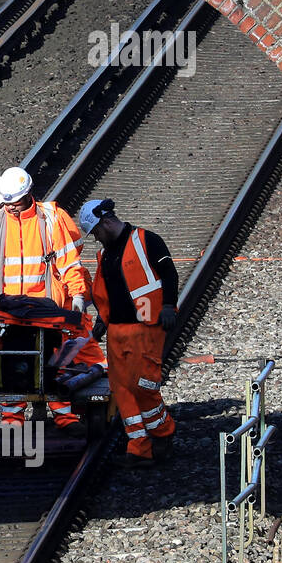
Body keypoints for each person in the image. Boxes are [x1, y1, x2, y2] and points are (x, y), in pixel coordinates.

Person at [0, 166, 90, 434]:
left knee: (53, 363)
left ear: (28, 194)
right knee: (13, 364)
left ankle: (64, 417)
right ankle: (12, 420)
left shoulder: (50, 220)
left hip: (45, 308)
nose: (12, 209)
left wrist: (77, 293)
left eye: (16, 204)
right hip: (9, 309)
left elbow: (68, 260)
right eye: (7, 204)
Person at [79, 199, 179, 466]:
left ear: (106, 222)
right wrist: (102, 322)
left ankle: (163, 434)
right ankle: (139, 448)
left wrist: (169, 305)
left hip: (145, 327)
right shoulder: (106, 254)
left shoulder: (146, 240)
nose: (97, 239)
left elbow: (169, 273)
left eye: (97, 233)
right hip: (117, 330)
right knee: (121, 388)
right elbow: (106, 291)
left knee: (142, 384)